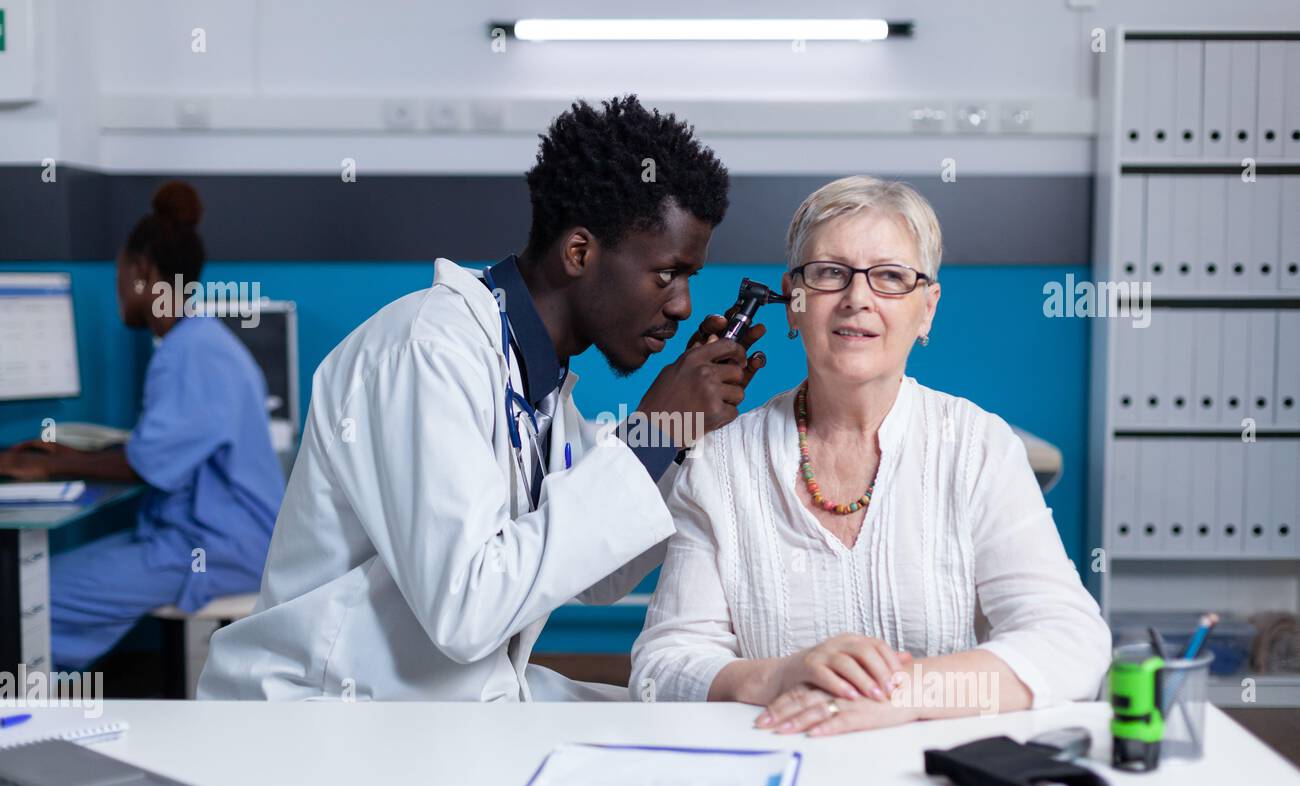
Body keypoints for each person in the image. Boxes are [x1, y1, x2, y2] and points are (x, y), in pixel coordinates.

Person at [197, 95, 767, 702]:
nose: (682, 305)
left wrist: (672, 442)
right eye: (666, 273)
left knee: (666, 720)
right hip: (329, 714)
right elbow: (467, 610)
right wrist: (653, 434)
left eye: (689, 279)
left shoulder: (536, 383)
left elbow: (594, 574)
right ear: (579, 253)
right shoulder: (428, 353)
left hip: (432, 703)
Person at [630, 175, 1111, 734]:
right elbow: (659, 669)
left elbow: (1070, 639)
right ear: (794, 303)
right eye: (830, 273)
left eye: (890, 277)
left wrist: (904, 693)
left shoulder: (979, 448)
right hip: (776, 767)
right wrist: (781, 676)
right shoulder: (718, 464)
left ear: (927, 309)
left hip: (936, 785)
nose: (858, 298)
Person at [0, 181, 286, 670]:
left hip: (213, 548)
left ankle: (25, 717)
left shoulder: (188, 352)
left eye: (119, 274)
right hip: (213, 538)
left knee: (24, 598)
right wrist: (66, 459)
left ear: (142, 272)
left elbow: (148, 466)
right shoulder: (202, 340)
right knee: (37, 583)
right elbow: (162, 451)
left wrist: (46, 466)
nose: (118, 290)